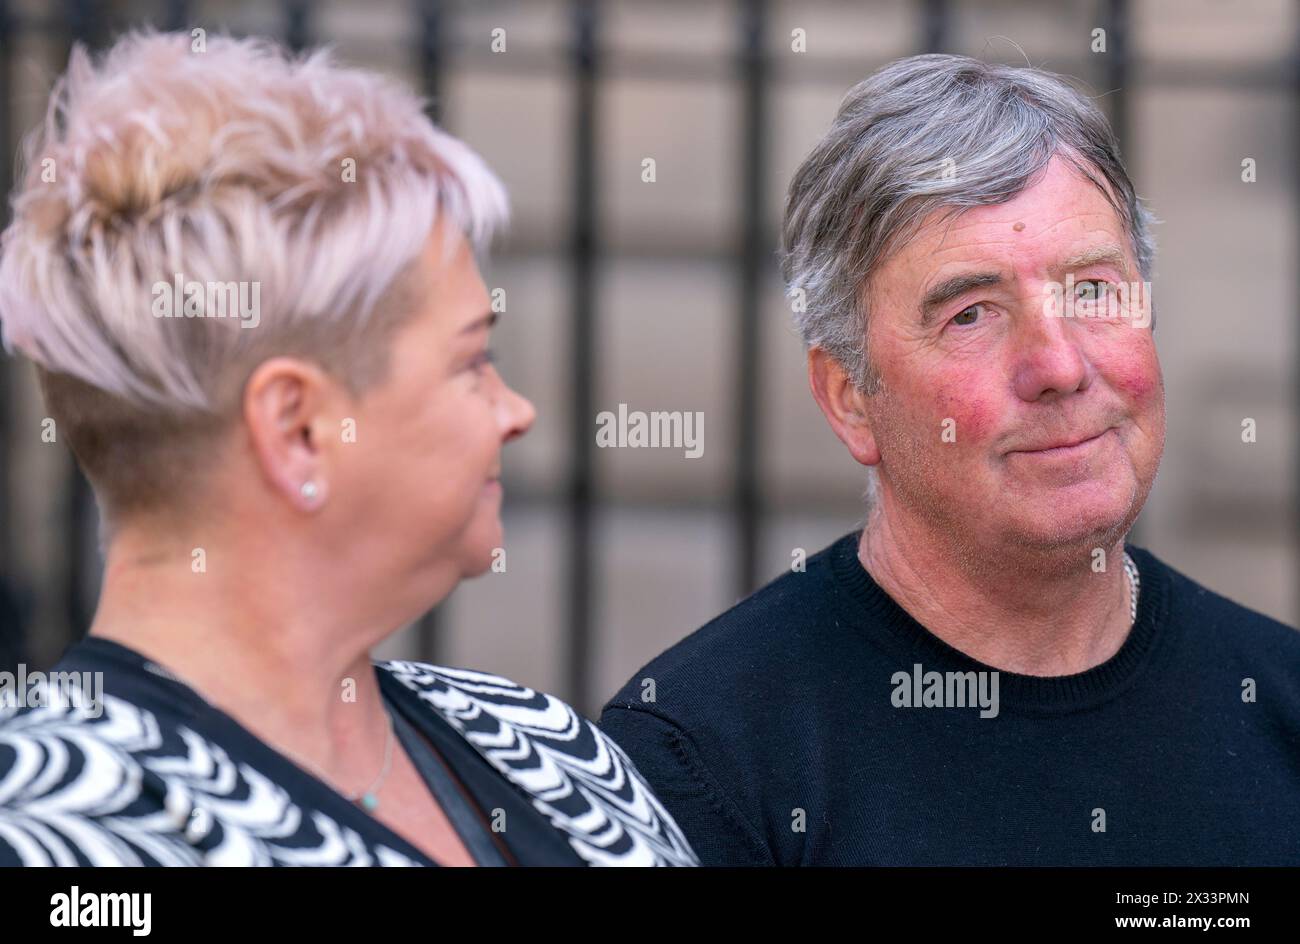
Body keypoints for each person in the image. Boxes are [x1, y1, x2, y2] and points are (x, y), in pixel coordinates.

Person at [0, 31, 697, 867]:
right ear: (297, 429)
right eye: (472, 361)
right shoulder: (55, 830)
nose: (515, 412)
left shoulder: (541, 745)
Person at [599, 54, 1300, 866]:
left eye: (1095, 291)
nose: (1061, 366)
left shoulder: (1278, 700)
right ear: (850, 397)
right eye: (972, 314)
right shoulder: (703, 766)